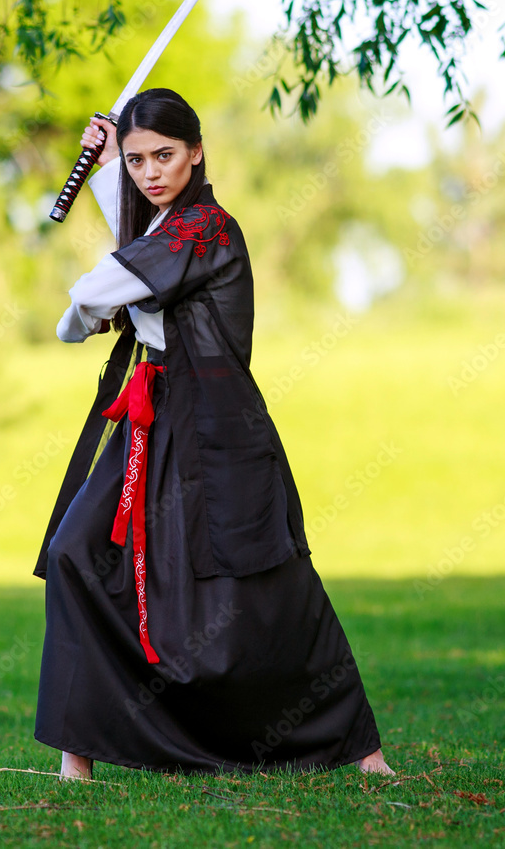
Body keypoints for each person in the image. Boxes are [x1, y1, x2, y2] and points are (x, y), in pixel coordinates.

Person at [33, 88, 394, 780]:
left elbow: (92, 296)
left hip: (219, 428)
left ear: (197, 153)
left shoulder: (207, 229)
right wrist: (109, 162)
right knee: (80, 552)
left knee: (270, 585)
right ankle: (74, 761)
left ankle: (363, 753)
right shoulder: (173, 225)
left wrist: (79, 322)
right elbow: (139, 244)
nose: (150, 172)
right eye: (137, 161)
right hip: (158, 415)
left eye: (164, 155)